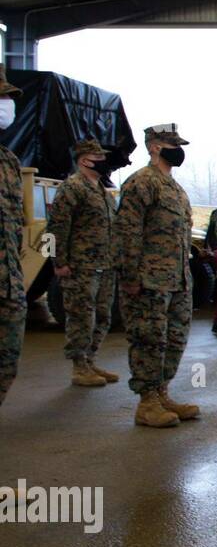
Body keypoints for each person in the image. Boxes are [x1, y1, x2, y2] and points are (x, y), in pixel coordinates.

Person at [114, 123, 199, 427]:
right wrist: (130, 276)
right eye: (171, 144)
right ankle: (147, 402)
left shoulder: (175, 188)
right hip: (148, 279)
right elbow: (126, 232)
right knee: (149, 339)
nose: (178, 151)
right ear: (153, 146)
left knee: (174, 338)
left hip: (176, 279)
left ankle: (162, 393)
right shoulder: (141, 183)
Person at [46, 137, 118, 387]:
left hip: (105, 264)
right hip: (79, 267)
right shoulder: (72, 187)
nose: (103, 162)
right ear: (84, 160)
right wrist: (57, 262)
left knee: (102, 316)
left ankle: (90, 360)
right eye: (99, 158)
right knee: (81, 317)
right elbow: (54, 229)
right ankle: (79, 366)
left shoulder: (102, 190)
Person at [0, 66, 24, 409]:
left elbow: (17, 222)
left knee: (7, 360)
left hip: (8, 282)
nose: (6, 105)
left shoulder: (9, 161)